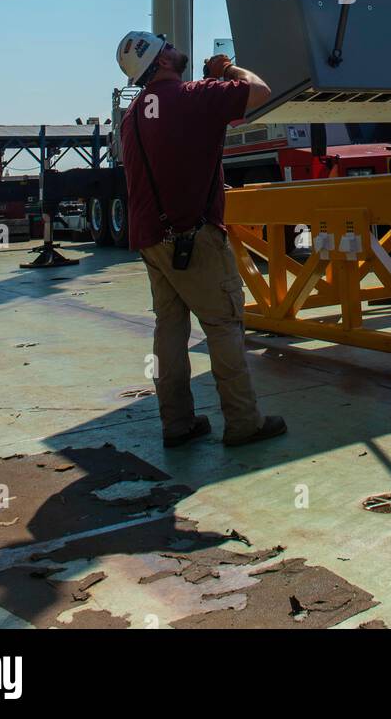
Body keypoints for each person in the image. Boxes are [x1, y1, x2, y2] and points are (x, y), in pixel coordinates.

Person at [117, 30, 287, 449]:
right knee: (224, 323)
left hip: (152, 238)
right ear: (161, 61)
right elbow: (259, 91)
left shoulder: (134, 115)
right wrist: (225, 69)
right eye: (166, 45)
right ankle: (244, 422)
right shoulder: (191, 96)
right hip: (191, 237)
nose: (175, 46)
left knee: (169, 330)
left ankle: (176, 423)